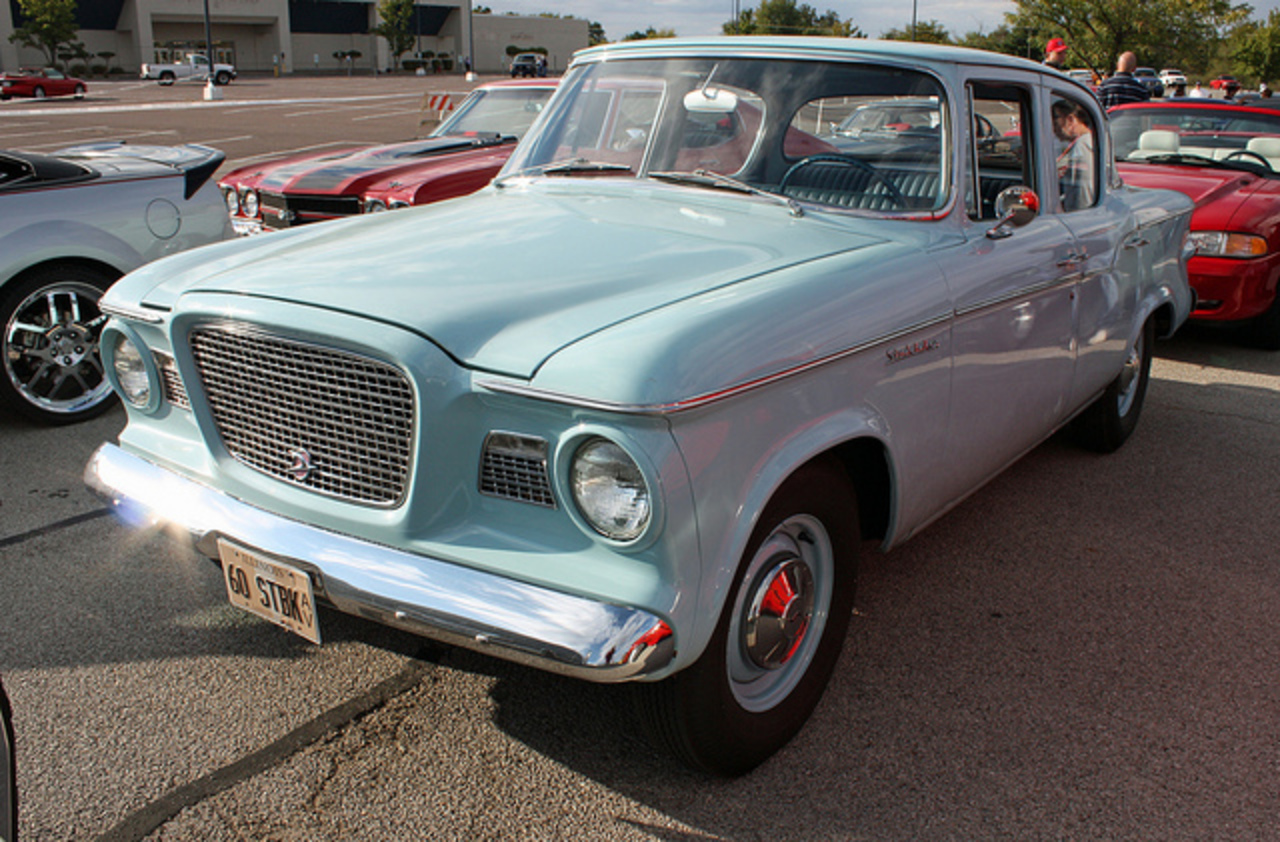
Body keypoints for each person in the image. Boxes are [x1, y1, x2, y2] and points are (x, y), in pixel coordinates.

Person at [1052, 98, 1096, 210]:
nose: (1053, 125)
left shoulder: (1082, 146)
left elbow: (1081, 193)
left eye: (1057, 117)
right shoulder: (1090, 141)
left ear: (1070, 120)